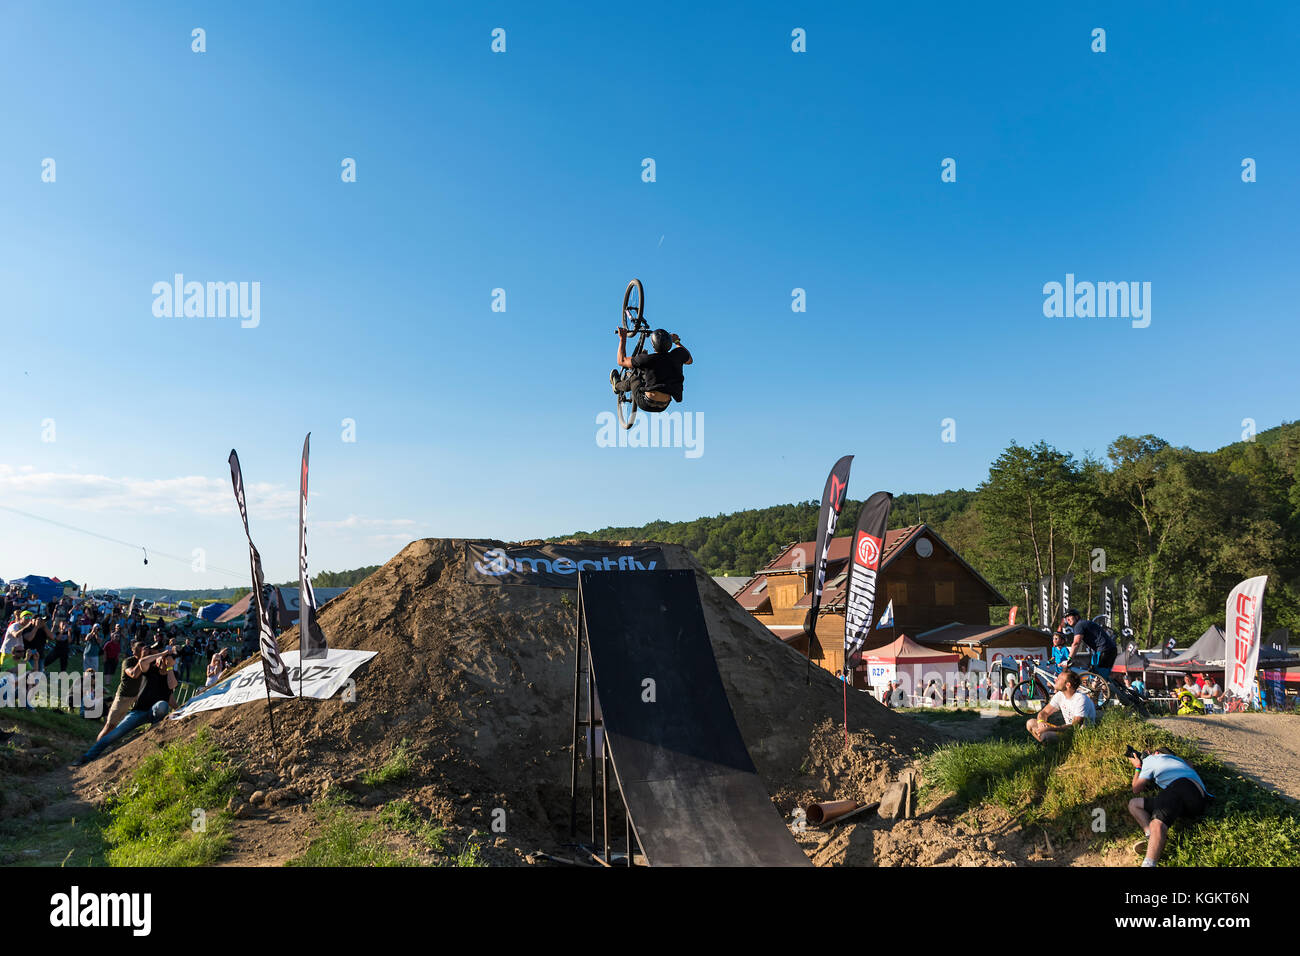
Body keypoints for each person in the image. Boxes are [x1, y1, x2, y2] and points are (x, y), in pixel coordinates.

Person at [74, 644, 177, 765]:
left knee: (162, 705)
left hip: (155, 711)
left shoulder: (171, 675)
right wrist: (162, 653)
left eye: (164, 660)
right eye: (160, 659)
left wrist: (169, 668)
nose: (160, 661)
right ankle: (88, 756)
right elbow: (143, 662)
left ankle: (154, 730)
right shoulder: (151, 670)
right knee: (115, 732)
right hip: (139, 711)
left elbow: (171, 689)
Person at [1127, 747, 1211, 867]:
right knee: (1134, 804)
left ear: (1155, 753)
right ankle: (1151, 837)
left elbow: (1136, 788)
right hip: (1196, 801)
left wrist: (1138, 766)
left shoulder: (1152, 760)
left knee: (1158, 823)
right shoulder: (1182, 763)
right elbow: (1190, 764)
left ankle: (1148, 864)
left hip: (1182, 787)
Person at [611, 327, 693, 411]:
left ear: (653, 346)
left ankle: (617, 385)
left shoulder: (647, 359)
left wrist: (622, 339)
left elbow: (621, 361)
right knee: (650, 374)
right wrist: (676, 341)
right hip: (664, 406)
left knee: (634, 379)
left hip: (646, 404)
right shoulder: (677, 356)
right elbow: (689, 360)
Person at [1026, 669, 1096, 743]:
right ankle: (1047, 744)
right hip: (1066, 730)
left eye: (1059, 679)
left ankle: (1051, 746)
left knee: (1046, 735)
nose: (1056, 679)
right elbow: (1044, 712)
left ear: (1068, 685)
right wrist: (1041, 722)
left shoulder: (1080, 699)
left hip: (1080, 734)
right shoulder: (1060, 695)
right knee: (1030, 723)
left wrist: (1050, 729)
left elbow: (1075, 726)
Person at [1060, 609, 1117, 680]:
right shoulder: (1084, 623)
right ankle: (1116, 688)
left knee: (1098, 678)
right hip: (1110, 650)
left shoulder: (1079, 625)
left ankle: (1106, 687)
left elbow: (1076, 643)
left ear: (1077, 617)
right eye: (1066, 618)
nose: (1067, 619)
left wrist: (1069, 659)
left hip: (1104, 650)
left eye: (1069, 616)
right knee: (1099, 674)